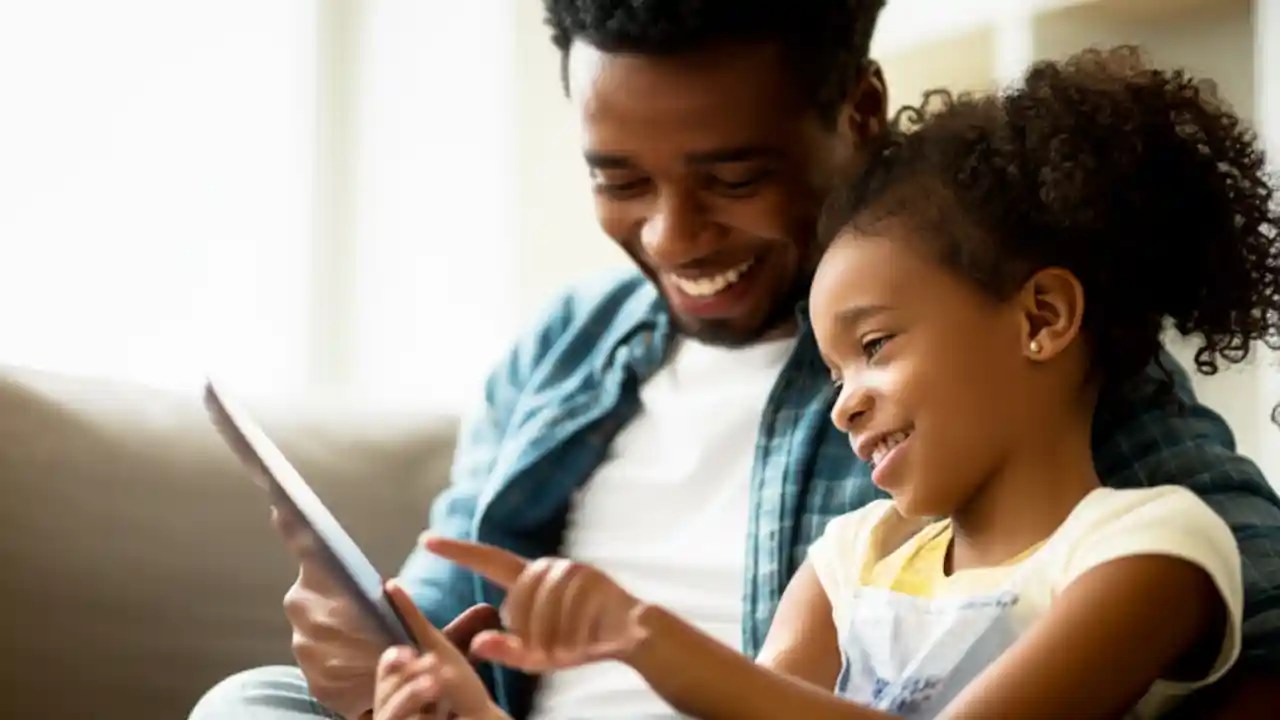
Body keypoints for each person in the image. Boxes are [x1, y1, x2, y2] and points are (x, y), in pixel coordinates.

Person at [189, 2, 1280, 718]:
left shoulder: (1008, 346)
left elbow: (1255, 594)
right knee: (255, 703)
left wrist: (646, 642)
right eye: (618, 179)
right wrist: (384, 667)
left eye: (729, 177)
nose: (671, 236)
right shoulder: (564, 351)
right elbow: (442, 630)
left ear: (856, 113)